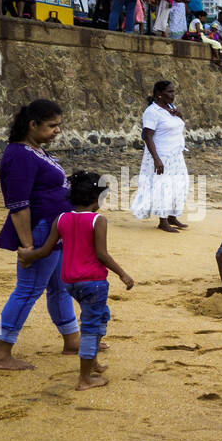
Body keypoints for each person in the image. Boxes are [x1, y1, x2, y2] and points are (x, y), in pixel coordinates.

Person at [0, 100, 81, 372]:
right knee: (28, 290)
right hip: (40, 230)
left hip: (54, 229)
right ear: (33, 124)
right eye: (52, 126)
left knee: (59, 286)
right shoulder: (19, 155)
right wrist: (27, 245)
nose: (57, 131)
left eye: (58, 125)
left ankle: (72, 339)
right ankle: (0, 353)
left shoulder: (33, 151)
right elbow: (18, 204)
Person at [17, 172, 134, 390]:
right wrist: (122, 273)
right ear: (96, 200)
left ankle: (93, 362)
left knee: (100, 317)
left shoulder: (62, 219)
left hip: (70, 282)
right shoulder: (98, 220)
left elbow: (45, 251)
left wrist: (27, 255)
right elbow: (102, 254)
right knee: (91, 327)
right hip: (93, 282)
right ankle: (85, 378)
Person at [131, 80, 189, 233]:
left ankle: (172, 215)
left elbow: (177, 126)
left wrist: (179, 115)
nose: (173, 95)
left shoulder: (170, 108)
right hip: (161, 155)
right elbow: (148, 136)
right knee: (163, 187)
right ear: (158, 94)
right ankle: (162, 221)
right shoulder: (151, 112)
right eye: (169, 92)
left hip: (176, 154)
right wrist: (157, 159)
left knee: (180, 184)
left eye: (173, 92)